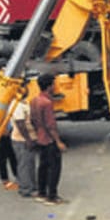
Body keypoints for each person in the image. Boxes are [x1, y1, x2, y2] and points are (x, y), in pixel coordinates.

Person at [30, 72, 66, 205]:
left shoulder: (34, 100)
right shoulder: (47, 103)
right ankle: (52, 196)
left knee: (43, 166)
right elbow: (50, 125)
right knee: (54, 168)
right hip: (49, 139)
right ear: (49, 86)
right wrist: (58, 141)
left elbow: (33, 120)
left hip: (40, 137)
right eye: (53, 84)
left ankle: (41, 192)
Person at [9, 93, 36, 199]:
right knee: (24, 164)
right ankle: (26, 189)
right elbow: (20, 123)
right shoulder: (17, 105)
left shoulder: (23, 103)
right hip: (21, 139)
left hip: (26, 138)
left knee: (29, 163)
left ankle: (31, 186)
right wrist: (28, 139)